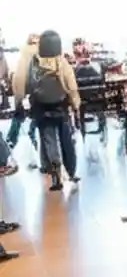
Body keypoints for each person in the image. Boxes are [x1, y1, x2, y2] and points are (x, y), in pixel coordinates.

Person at [15, 30, 80, 191]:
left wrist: (19, 102)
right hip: (61, 106)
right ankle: (71, 172)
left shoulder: (33, 62)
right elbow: (72, 87)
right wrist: (76, 105)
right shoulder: (62, 62)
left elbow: (22, 82)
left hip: (41, 107)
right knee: (66, 139)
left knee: (49, 140)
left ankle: (56, 174)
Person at [7, 34, 40, 160]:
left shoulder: (22, 54)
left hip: (22, 90)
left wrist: (19, 96)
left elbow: (16, 76)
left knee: (19, 115)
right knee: (36, 116)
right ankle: (33, 139)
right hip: (34, 90)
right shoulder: (39, 54)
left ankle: (11, 139)